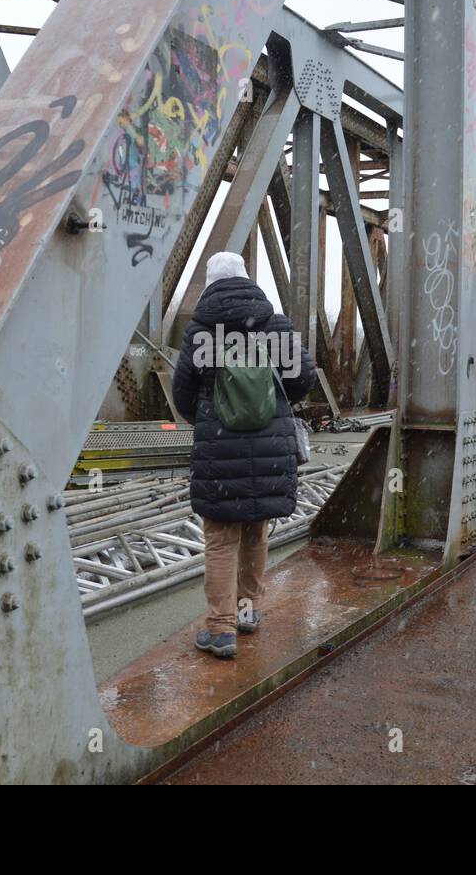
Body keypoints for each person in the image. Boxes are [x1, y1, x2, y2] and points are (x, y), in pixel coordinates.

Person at [172, 251, 316, 659]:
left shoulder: (201, 333)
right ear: (246, 278)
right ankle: (248, 612)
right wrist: (272, 405)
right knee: (255, 529)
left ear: (210, 284)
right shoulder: (277, 326)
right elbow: (304, 378)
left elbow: (182, 393)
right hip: (271, 446)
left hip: (220, 447)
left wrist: (206, 415)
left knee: (220, 538)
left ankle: (220, 630)